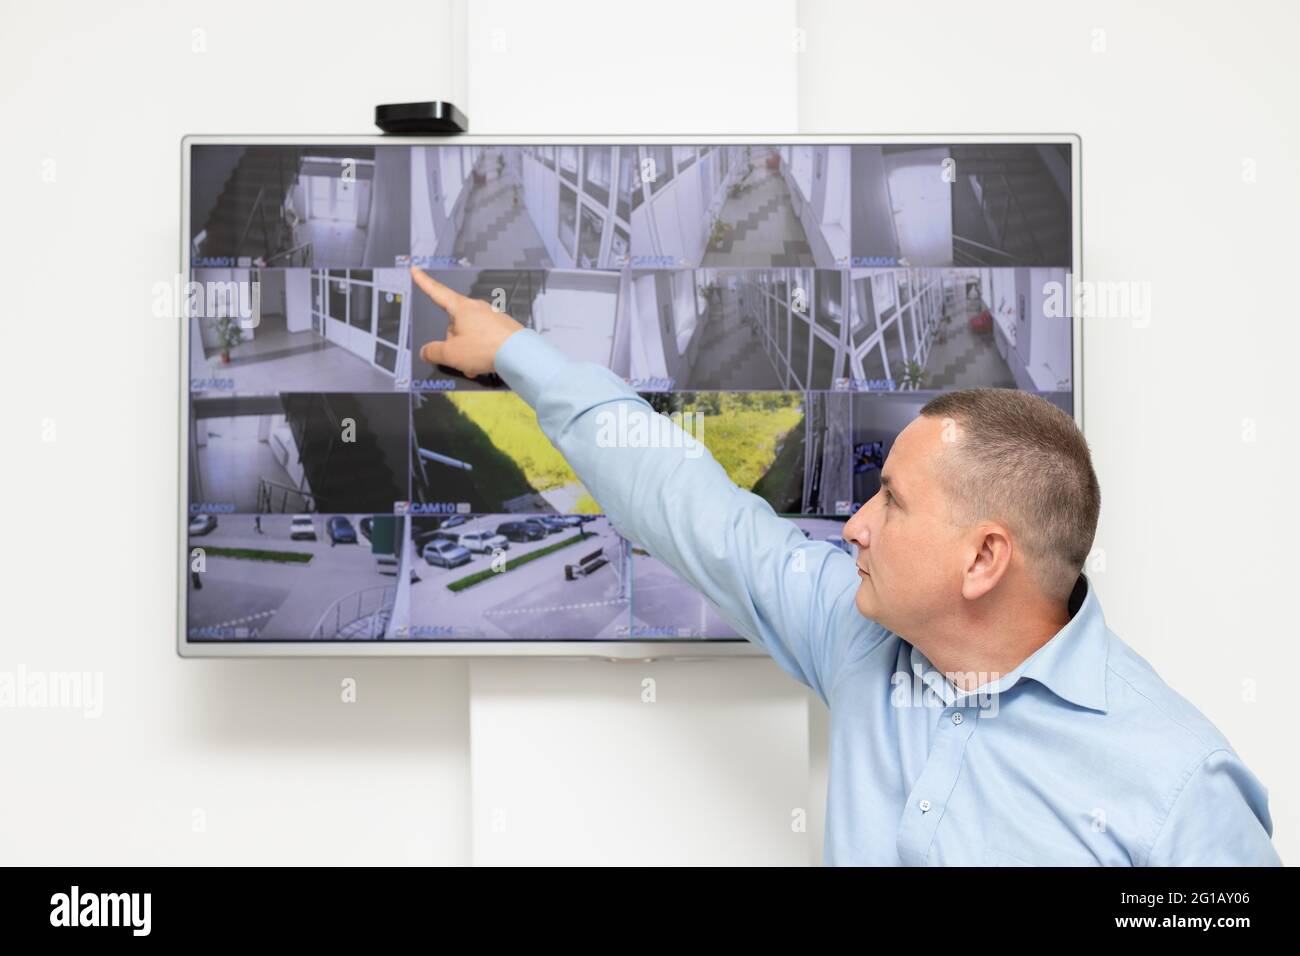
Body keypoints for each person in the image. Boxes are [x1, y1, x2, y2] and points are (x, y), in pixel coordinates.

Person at [409, 267, 1281, 867]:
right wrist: (519, 352)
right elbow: (685, 501)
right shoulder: (861, 637)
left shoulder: (1176, 785)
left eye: (892, 502)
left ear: (984, 559)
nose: (853, 526)